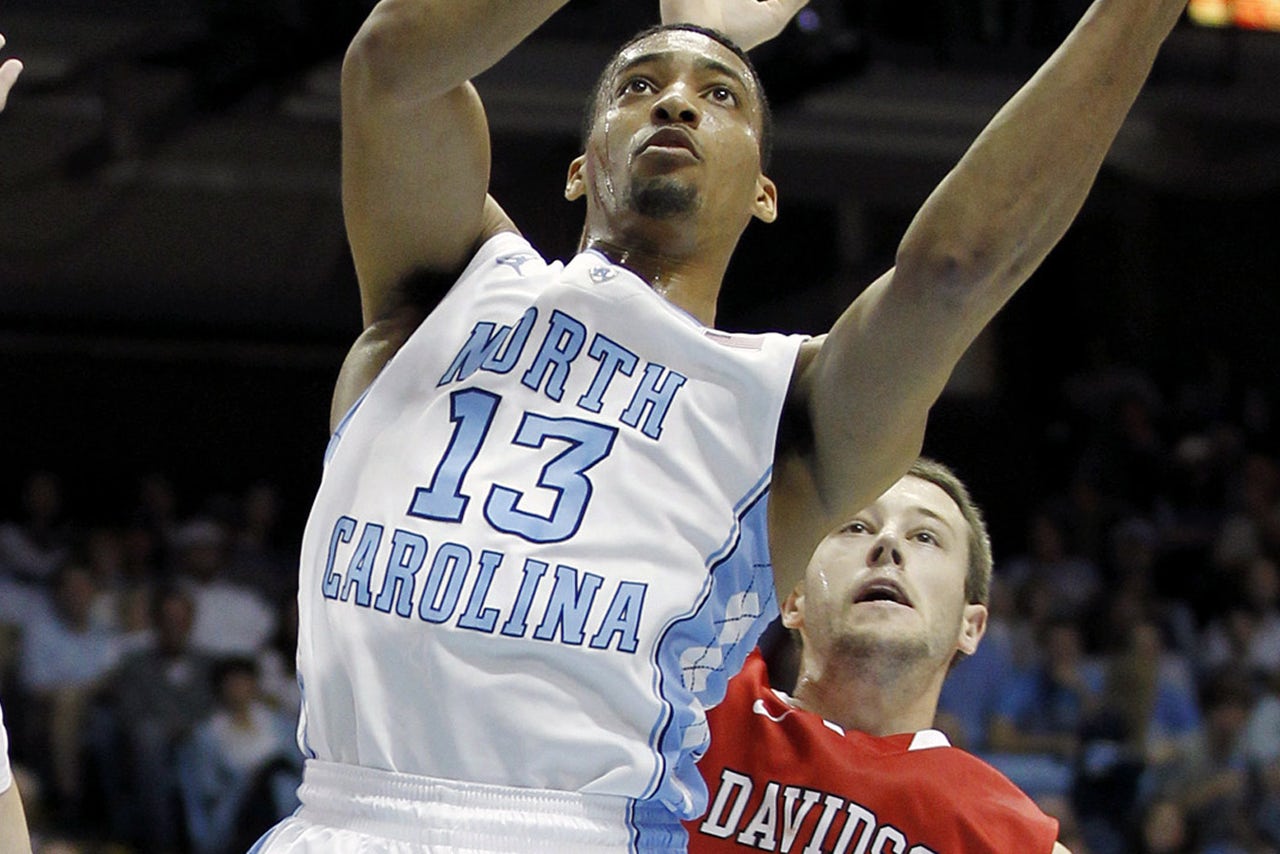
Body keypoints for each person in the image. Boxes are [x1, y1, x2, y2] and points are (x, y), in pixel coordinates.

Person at [257, 0, 1191, 848]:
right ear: (580, 169)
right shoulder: (446, 289)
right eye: (638, 87)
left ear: (764, 194)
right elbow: (386, 64)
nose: (674, 104)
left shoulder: (785, 406)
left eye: (720, 95)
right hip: (342, 815)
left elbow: (958, 269)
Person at [687, 459, 1070, 852]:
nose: (887, 544)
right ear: (792, 599)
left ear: (969, 626)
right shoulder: (695, 702)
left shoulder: (1009, 836)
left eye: (925, 537)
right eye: (856, 527)